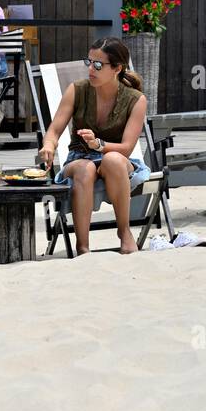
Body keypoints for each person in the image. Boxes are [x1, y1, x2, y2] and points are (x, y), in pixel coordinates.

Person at [38, 37, 151, 256]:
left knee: (113, 160)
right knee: (85, 168)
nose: (91, 68)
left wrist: (99, 145)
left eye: (98, 65)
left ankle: (124, 232)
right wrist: (49, 145)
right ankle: (83, 245)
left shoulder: (136, 100)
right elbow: (54, 130)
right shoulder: (77, 90)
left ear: (117, 68)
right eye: (88, 62)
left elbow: (126, 148)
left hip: (116, 157)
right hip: (79, 158)